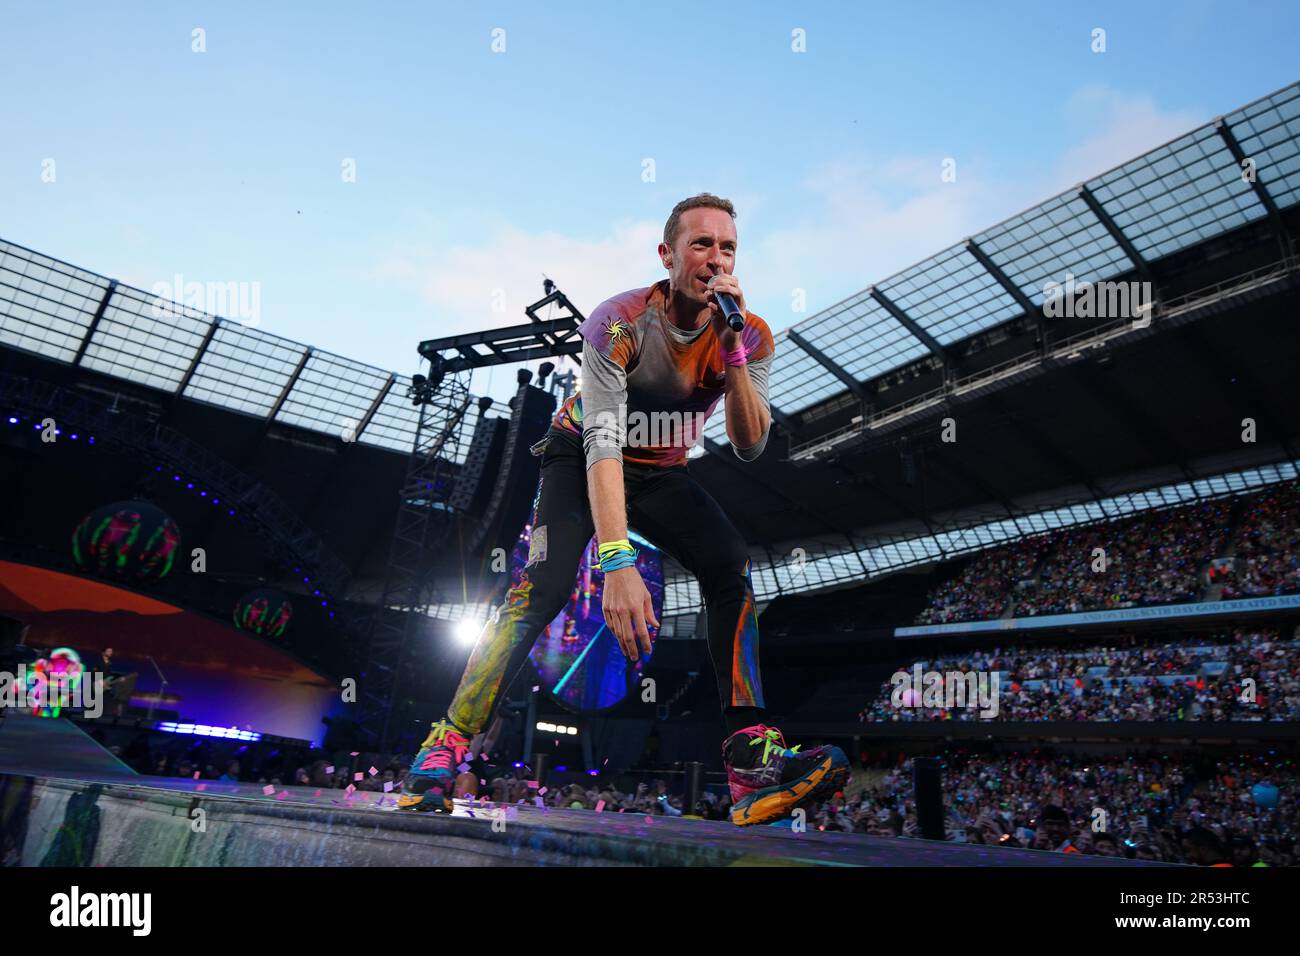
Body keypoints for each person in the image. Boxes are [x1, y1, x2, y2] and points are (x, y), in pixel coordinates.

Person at [398, 194, 848, 826]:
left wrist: (735, 350)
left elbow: (749, 442)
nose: (715, 259)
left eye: (728, 248)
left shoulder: (750, 332)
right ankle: (444, 745)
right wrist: (617, 558)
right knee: (544, 584)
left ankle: (749, 761)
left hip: (661, 472)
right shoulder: (619, 321)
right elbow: (601, 447)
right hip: (579, 454)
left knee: (730, 565)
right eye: (700, 245)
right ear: (668, 256)